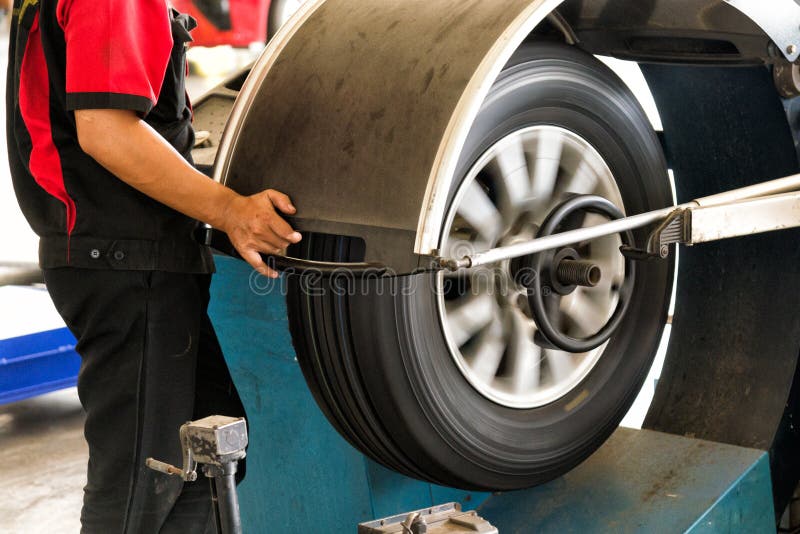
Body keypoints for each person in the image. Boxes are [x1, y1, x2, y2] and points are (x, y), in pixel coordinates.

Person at [6, 0, 301, 532]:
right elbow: (106, 128)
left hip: (125, 256)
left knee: (207, 463)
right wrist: (230, 210)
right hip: (126, 261)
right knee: (140, 483)